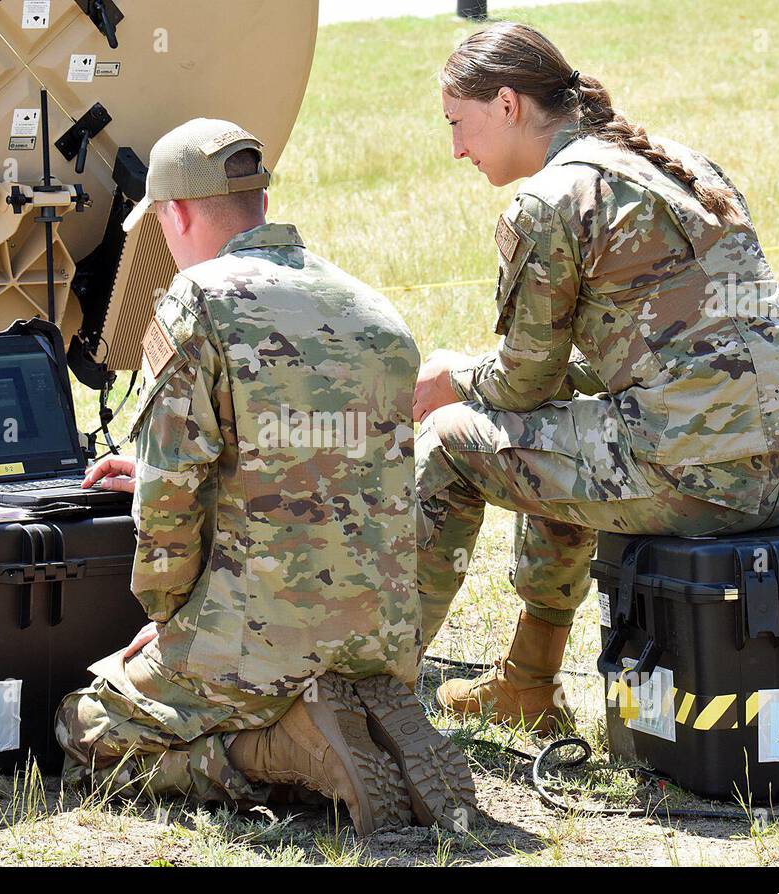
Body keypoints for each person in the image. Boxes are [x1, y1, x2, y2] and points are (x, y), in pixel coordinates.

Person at [56, 118, 476, 835]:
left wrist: (167, 624)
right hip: (382, 638)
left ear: (176, 214)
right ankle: (355, 714)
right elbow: (343, 475)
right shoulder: (373, 309)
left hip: (255, 644)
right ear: (263, 205)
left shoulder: (196, 302)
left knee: (83, 729)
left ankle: (286, 751)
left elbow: (167, 510)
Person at [414, 23, 779, 727]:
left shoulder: (550, 201)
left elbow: (522, 385)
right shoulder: (680, 163)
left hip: (704, 476)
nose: (457, 148)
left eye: (460, 123)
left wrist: (451, 381)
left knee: (459, 440)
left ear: (508, 104)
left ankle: (367, 697)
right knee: (556, 436)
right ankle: (526, 684)